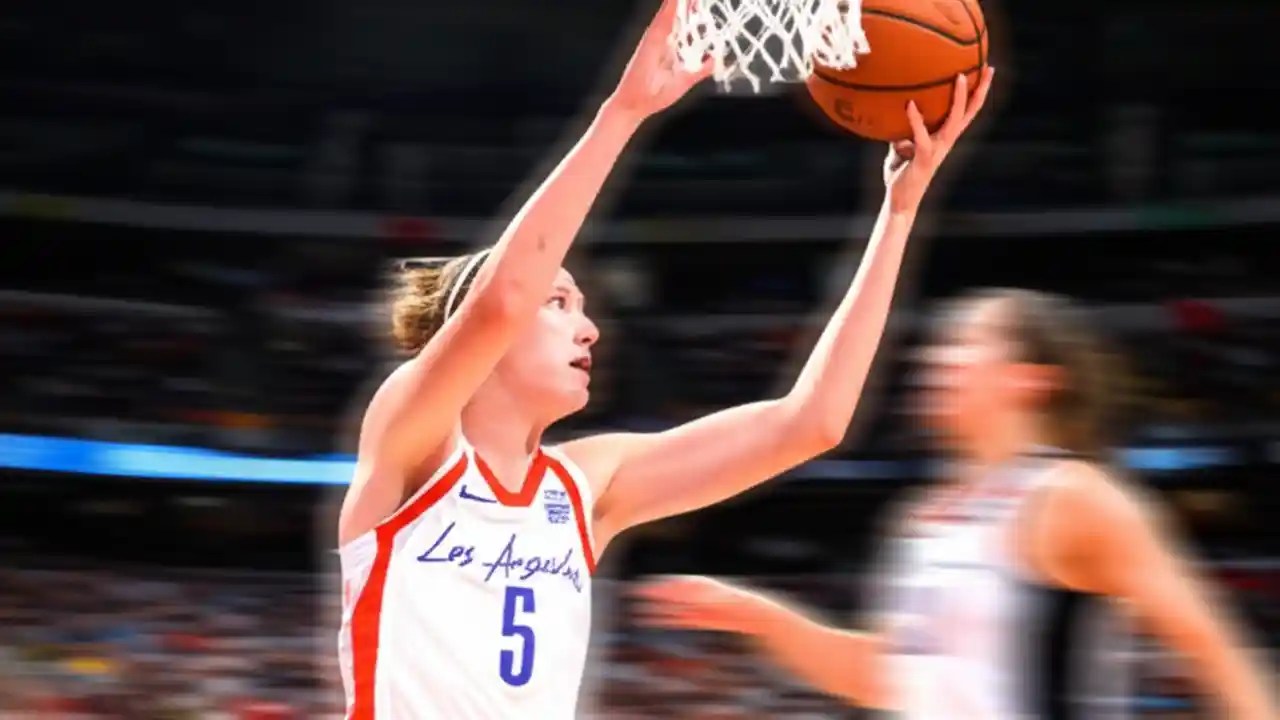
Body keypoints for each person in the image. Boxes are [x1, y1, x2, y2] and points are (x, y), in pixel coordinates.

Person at [333, 0, 995, 712]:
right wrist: (624, 113)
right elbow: (503, 297)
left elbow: (813, 423)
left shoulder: (584, 488)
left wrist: (898, 212)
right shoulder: (410, 441)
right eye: (560, 304)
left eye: (581, 308)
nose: (589, 330)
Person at [635, 289, 1279, 719]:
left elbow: (1210, 646)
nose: (935, 358)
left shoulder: (1072, 498)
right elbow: (889, 676)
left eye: (963, 344)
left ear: (1032, 377)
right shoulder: (924, 519)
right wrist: (758, 617)